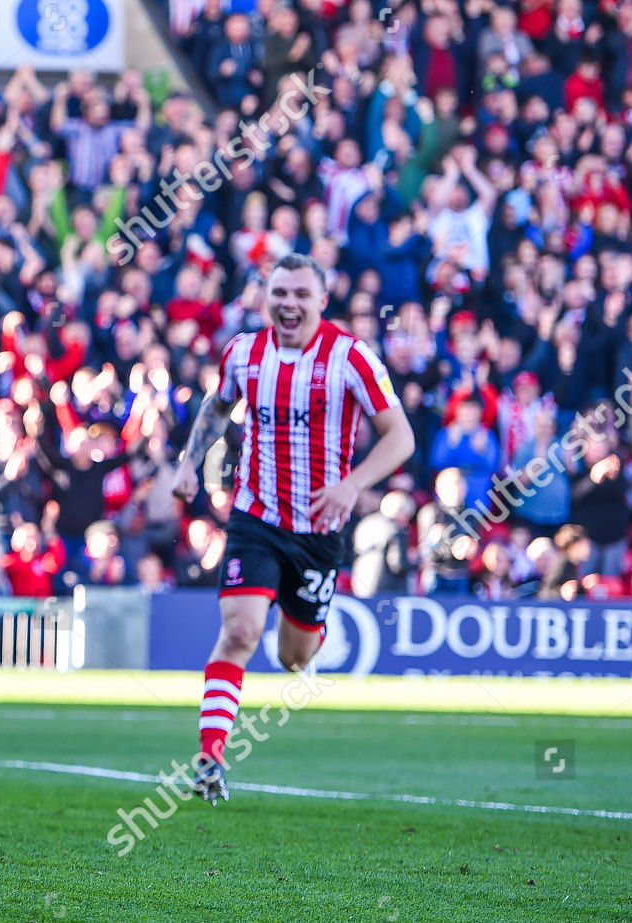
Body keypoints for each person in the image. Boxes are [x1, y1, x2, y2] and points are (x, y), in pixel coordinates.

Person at [171, 254, 414, 804]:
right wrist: (189, 461)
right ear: (266, 297)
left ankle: (306, 630)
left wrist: (353, 485)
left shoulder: (351, 357)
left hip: (319, 528)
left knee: (295, 657)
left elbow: (400, 437)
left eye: (301, 294)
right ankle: (211, 758)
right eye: (279, 292)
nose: (289, 303)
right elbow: (217, 406)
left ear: (322, 301)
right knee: (238, 632)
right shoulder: (243, 353)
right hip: (255, 517)